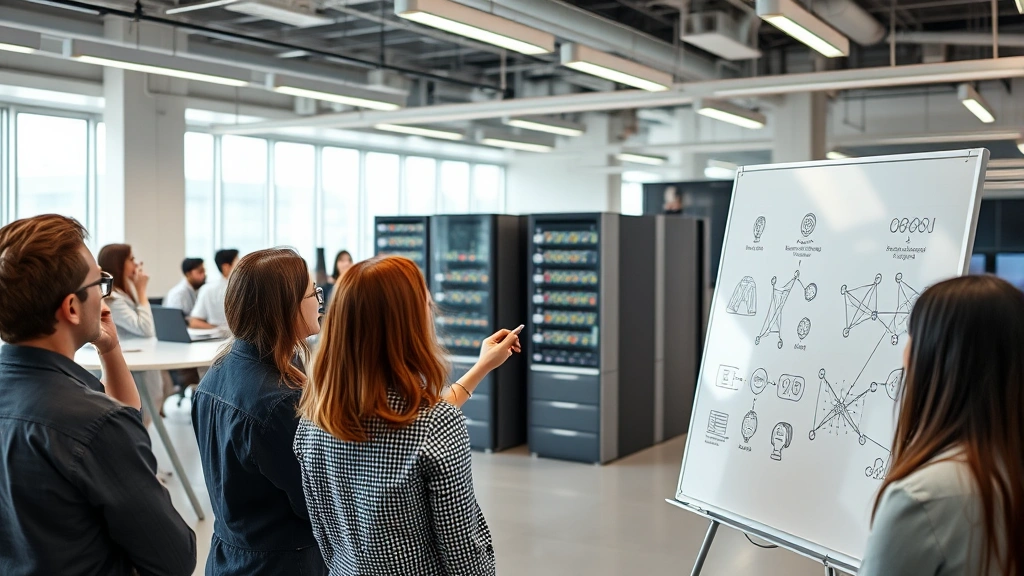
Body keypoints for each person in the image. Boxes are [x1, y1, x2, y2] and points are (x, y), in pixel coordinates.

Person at [294, 255, 521, 575]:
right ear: (409, 324)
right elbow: (462, 553)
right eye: (426, 303)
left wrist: (482, 365)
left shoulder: (313, 418)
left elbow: (324, 533)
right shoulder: (437, 424)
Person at [0, 214, 196, 576]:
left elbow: (121, 418)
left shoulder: (72, 409)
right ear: (73, 307)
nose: (105, 295)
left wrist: (110, 350)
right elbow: (175, 557)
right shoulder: (92, 423)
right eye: (100, 283)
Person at [860, 275, 1024, 576]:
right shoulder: (1009, 469)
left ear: (935, 358)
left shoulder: (921, 497)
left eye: (912, 334)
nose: (904, 351)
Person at [192, 248, 327, 576]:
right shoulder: (278, 402)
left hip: (229, 557)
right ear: (285, 306)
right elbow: (316, 504)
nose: (320, 301)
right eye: (314, 292)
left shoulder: (215, 374)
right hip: (282, 563)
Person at [97, 243, 163, 426]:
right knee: (142, 411)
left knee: (152, 403)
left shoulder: (124, 291)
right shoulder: (112, 299)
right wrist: (142, 290)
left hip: (139, 359)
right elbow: (146, 329)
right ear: (119, 263)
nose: (136, 263)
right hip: (131, 364)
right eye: (131, 259)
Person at [191, 249, 238, 329]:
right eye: (238, 264)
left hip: (216, 337)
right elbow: (194, 322)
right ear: (226, 267)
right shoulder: (241, 288)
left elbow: (194, 322)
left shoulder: (206, 289)